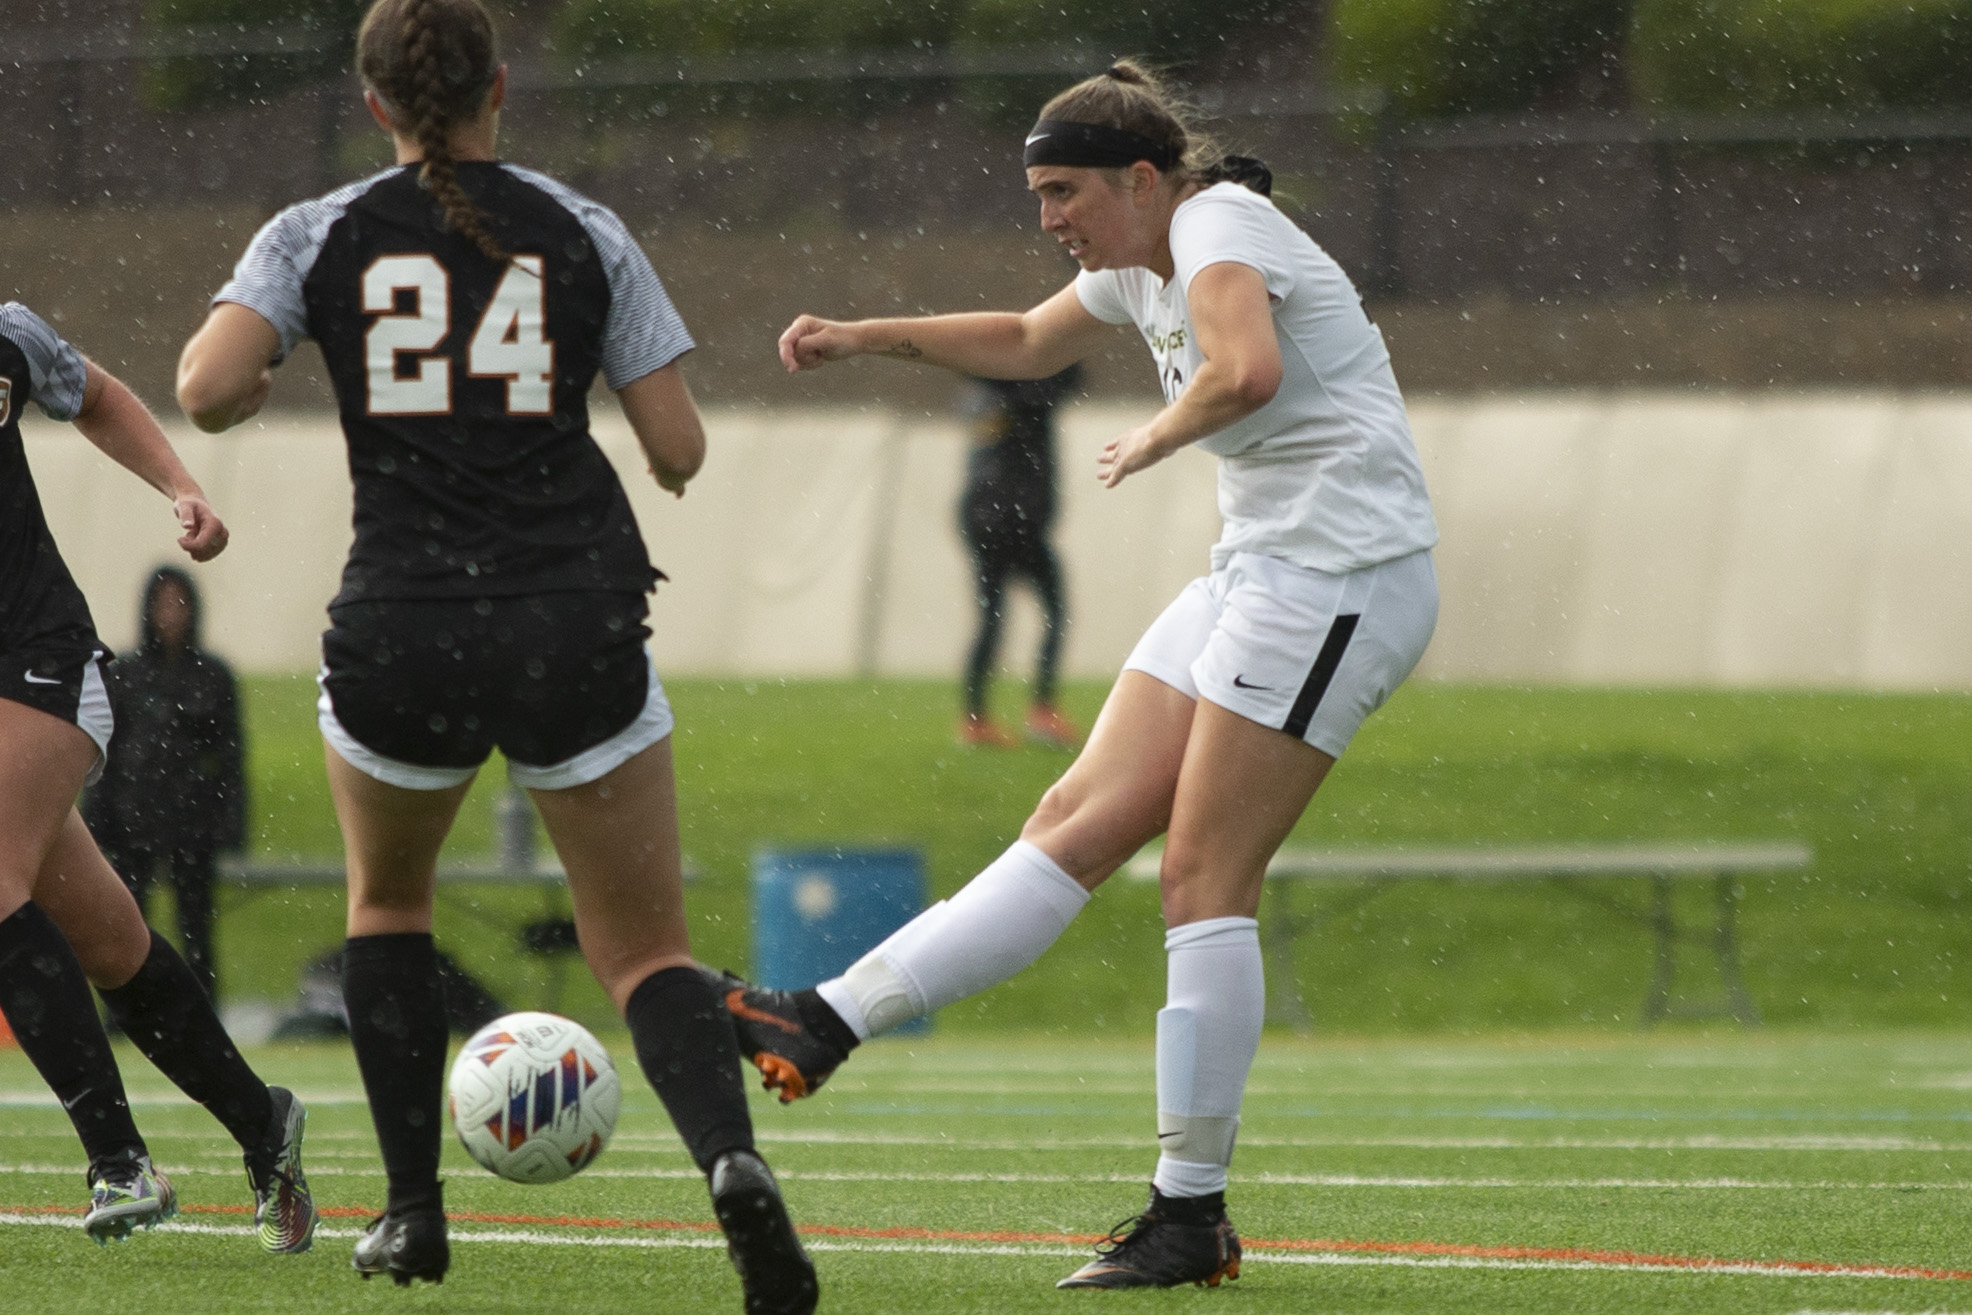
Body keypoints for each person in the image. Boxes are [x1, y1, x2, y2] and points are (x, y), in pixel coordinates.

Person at [714, 61, 1440, 1291]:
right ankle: (823, 1018)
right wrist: (862, 336)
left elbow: (1246, 367)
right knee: (1071, 817)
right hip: (1258, 570)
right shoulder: (1135, 255)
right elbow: (1022, 336)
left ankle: (1187, 1212)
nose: (1051, 215)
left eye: (1066, 191)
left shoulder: (1214, 223)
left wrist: (1156, 433)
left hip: (1342, 578)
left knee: (1202, 878)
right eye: (1039, 192)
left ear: (1142, 179)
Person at [174, 2, 816, 1307]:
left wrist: (265, 376)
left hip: (404, 617)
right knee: (642, 950)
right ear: (499, 90)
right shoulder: (583, 227)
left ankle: (413, 1212)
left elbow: (203, 384)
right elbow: (679, 448)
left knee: (389, 907)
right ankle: (734, 1168)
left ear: (375, 107)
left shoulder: (317, 232)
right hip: (573, 610)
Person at [0, 302, 315, 1251]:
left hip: (38, 655)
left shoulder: (5, 333)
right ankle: (265, 1123)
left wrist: (180, 484)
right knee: (115, 947)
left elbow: (89, 391)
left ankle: (119, 1160)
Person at [85, 566, 246, 1000]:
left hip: (192, 822)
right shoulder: (125, 674)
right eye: (161, 604)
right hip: (132, 818)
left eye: (179, 603)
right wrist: (98, 819)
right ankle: (127, 1011)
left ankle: (201, 1009)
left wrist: (230, 822)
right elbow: (103, 754)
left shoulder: (212, 675)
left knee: (196, 925)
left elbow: (229, 758)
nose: (170, 615)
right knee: (126, 923)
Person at [956, 366, 1083, 749]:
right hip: (1012, 520)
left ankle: (976, 719)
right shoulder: (1026, 394)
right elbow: (1068, 378)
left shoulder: (983, 392)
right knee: (1053, 610)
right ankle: (1040, 711)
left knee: (992, 618)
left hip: (985, 518)